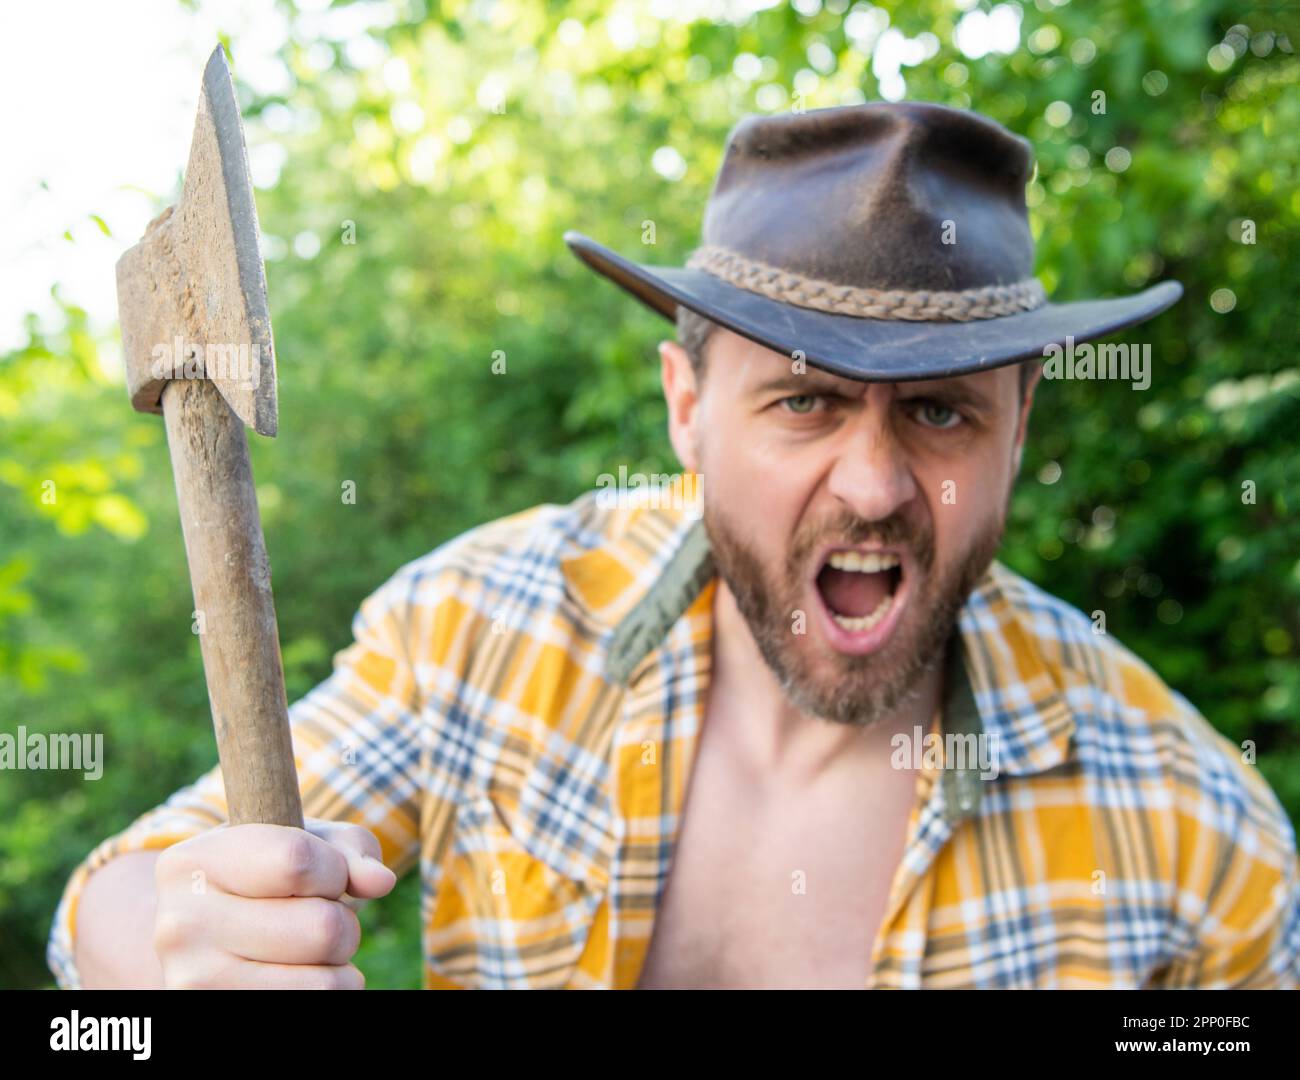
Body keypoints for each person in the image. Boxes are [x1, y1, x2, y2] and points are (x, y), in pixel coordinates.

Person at [50, 101, 1299, 989]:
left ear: (1020, 428)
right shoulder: (487, 625)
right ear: (686, 408)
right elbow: (111, 909)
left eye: (940, 411)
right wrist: (179, 942)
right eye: (802, 401)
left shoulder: (1196, 834)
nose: (871, 485)